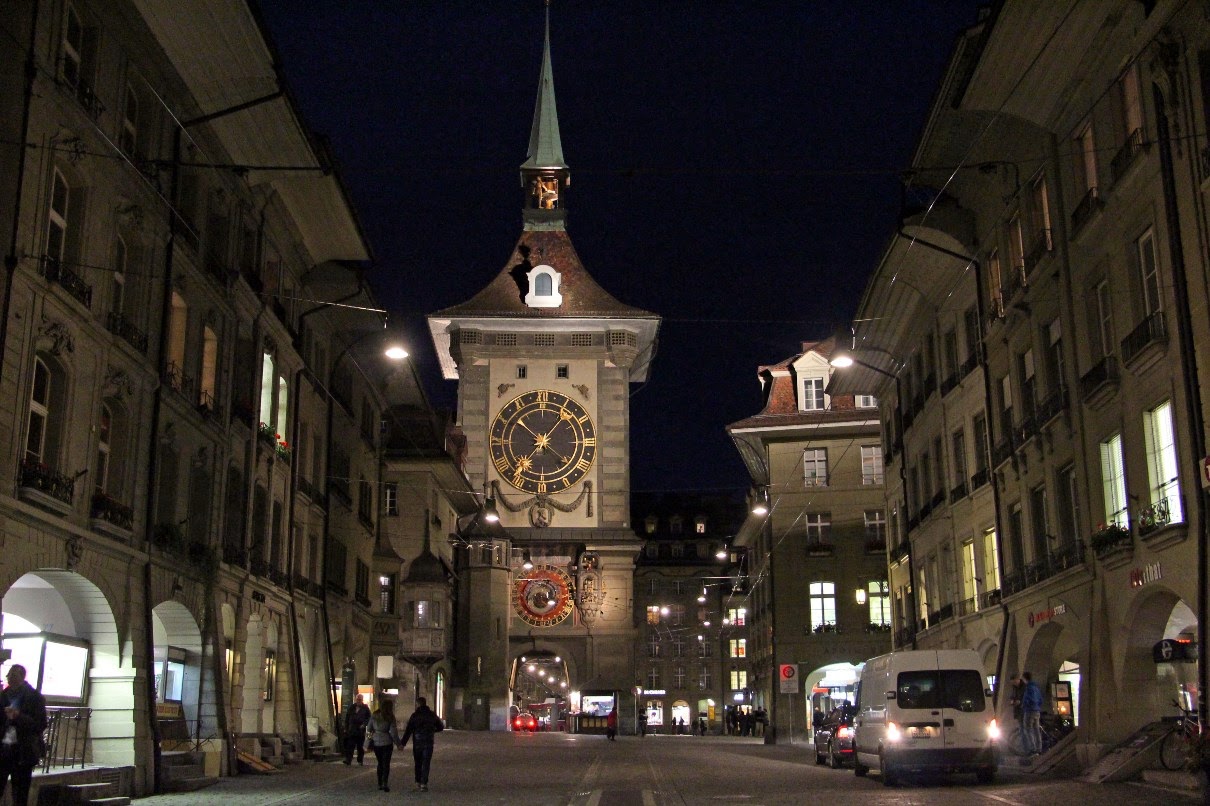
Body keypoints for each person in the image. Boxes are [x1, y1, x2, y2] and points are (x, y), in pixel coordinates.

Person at [0, 665, 48, 806]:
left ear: (22, 677)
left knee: (20, 792)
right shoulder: (3, 696)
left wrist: (19, 716)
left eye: (14, 676)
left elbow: (40, 724)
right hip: (3, 749)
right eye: (9, 675)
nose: (10, 679)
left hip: (23, 751)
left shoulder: (34, 697)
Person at [401, 697, 445, 792]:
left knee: (418, 762)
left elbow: (409, 730)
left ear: (417, 704)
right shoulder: (432, 714)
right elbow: (441, 727)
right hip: (428, 741)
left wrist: (403, 743)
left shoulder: (415, 715)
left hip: (417, 742)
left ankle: (418, 782)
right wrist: (432, 730)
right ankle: (424, 784)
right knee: (426, 762)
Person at [364, 699, 400, 792]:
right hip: (387, 742)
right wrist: (398, 744)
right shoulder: (390, 716)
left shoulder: (374, 715)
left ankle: (379, 783)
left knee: (380, 763)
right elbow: (393, 732)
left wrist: (367, 742)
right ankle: (385, 783)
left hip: (376, 742)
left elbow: (369, 729)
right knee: (386, 764)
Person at [343, 693, 371, 765]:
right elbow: (347, 717)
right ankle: (348, 760)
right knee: (350, 745)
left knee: (360, 746)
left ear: (362, 700)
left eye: (360, 700)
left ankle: (360, 760)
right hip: (352, 729)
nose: (358, 701)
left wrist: (364, 724)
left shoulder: (365, 708)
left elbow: (369, 718)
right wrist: (346, 727)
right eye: (357, 699)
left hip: (360, 730)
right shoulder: (352, 707)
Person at [1020, 671, 1044, 756]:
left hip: (1029, 711)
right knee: (1036, 730)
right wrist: (1038, 707)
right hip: (1037, 711)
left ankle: (1033, 749)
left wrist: (1023, 705)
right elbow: (1041, 700)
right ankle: (1039, 748)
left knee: (1028, 729)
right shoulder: (1036, 687)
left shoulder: (1028, 688)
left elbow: (1028, 699)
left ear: (1024, 678)